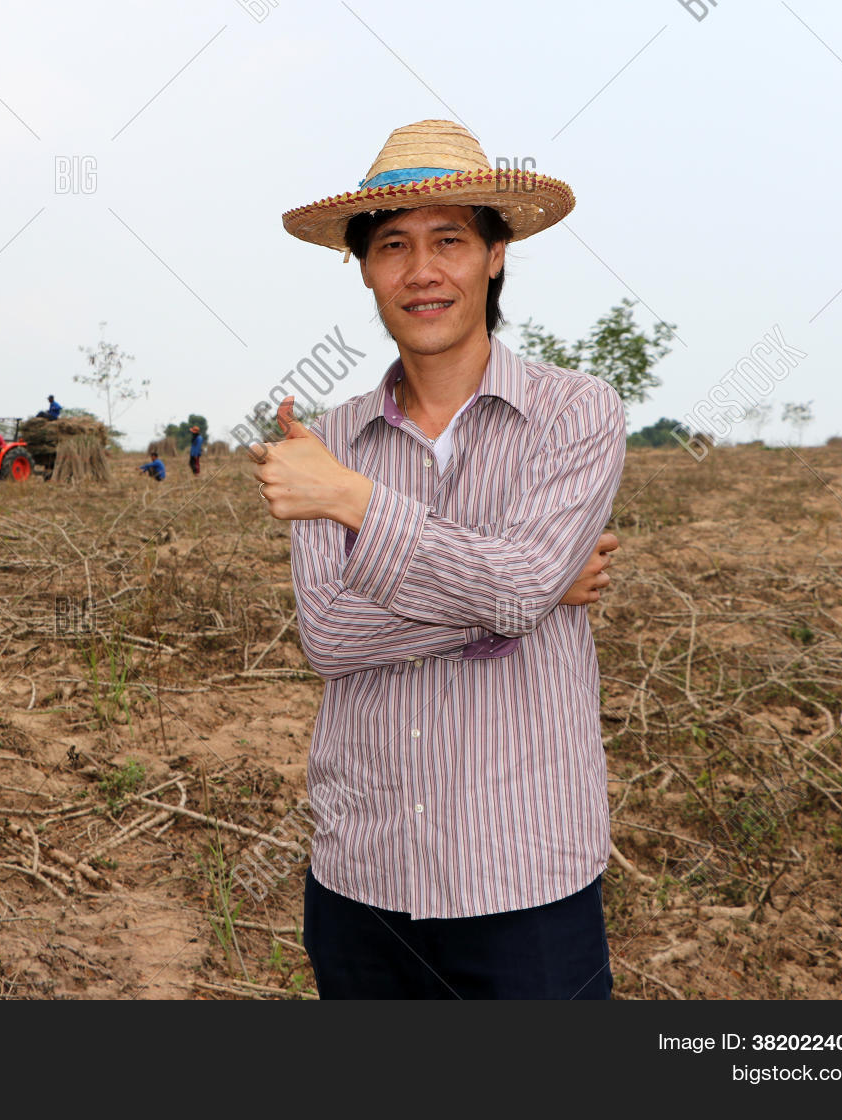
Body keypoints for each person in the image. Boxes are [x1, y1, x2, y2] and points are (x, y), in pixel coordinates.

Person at [252, 119, 624, 999]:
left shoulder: (577, 411)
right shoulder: (329, 434)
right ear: (365, 269)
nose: (423, 271)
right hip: (363, 877)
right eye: (393, 246)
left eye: (450, 240)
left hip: (528, 876)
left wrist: (353, 501)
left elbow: (523, 584)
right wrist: (513, 597)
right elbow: (332, 637)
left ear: (496, 256)